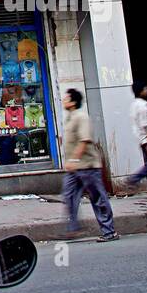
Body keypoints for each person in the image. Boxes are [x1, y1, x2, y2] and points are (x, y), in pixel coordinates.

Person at [61, 89, 118, 242]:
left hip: (88, 166)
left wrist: (73, 160)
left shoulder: (81, 117)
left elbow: (84, 140)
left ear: (73, 102)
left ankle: (109, 231)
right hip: (75, 168)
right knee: (69, 195)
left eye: (66, 98)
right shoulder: (69, 118)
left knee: (98, 198)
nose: (63, 100)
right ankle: (73, 228)